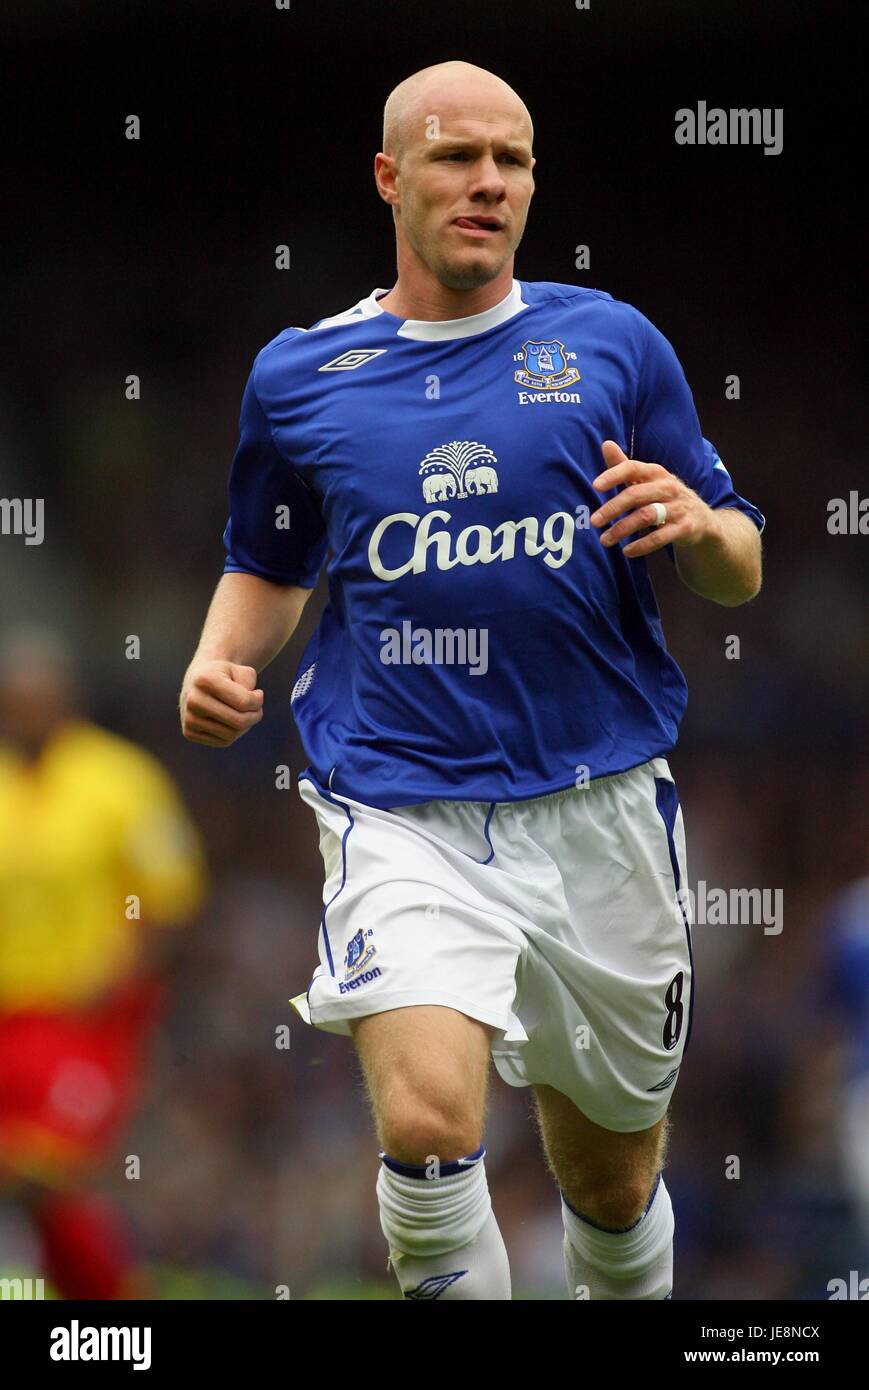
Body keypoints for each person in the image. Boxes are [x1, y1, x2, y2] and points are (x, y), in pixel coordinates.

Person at [180, 60, 764, 1300]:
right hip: (400, 805)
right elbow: (268, 561)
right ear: (392, 179)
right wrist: (217, 658)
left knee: (607, 1190)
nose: (485, 183)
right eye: (455, 157)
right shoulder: (302, 377)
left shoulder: (609, 343)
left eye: (510, 161)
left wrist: (700, 529)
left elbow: (740, 564)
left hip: (598, 808)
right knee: (432, 1123)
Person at [0, 624, 207, 1298]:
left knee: (44, 1169)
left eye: (35, 696)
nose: (22, 711)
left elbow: (172, 900)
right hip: (8, 1017)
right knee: (41, 1191)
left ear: (67, 698)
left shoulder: (120, 782)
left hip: (86, 1019)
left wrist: (125, 977)